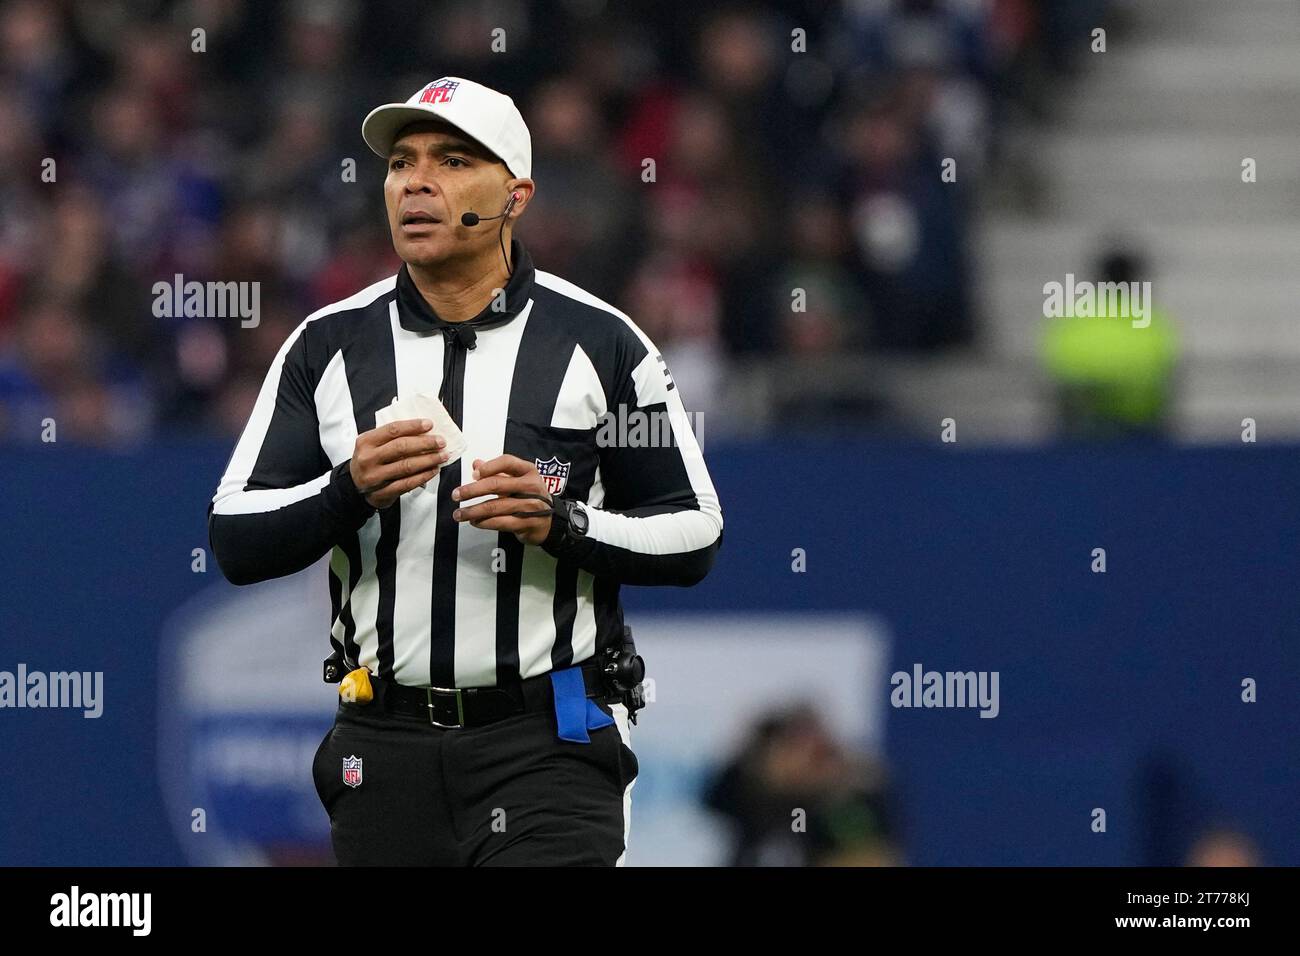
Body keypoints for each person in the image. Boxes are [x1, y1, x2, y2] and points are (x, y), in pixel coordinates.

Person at [207, 76, 724, 866]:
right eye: (400, 163)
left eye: (451, 161)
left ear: (515, 197)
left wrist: (565, 524)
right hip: (380, 741)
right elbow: (237, 539)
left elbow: (693, 534)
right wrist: (348, 489)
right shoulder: (327, 346)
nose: (415, 181)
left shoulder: (604, 344)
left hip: (549, 740)